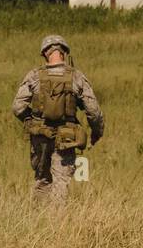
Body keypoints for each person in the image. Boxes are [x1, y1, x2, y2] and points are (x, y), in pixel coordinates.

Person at [12, 35, 104, 204]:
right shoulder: (76, 76)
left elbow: (17, 107)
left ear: (45, 54)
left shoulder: (34, 76)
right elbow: (94, 111)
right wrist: (96, 132)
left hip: (40, 136)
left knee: (41, 179)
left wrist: (31, 122)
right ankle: (58, 226)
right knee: (61, 183)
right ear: (64, 53)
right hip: (67, 137)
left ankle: (38, 223)